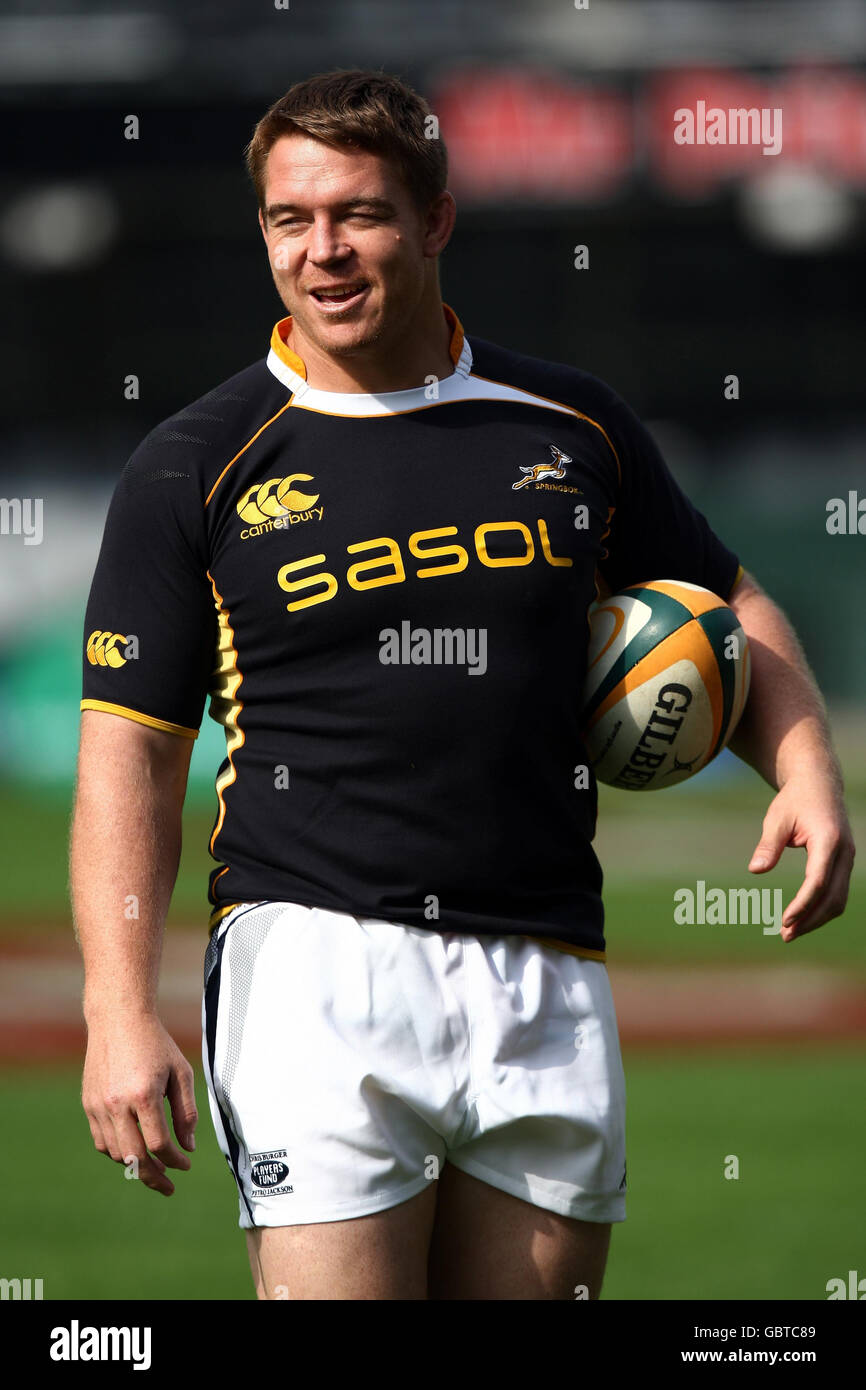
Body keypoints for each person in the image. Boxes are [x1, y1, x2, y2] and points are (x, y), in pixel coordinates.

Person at [71, 68, 855, 1301]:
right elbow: (132, 752)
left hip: (546, 965)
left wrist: (804, 766)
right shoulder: (191, 467)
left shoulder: (570, 424)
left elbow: (730, 604)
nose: (321, 252)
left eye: (359, 215)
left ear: (434, 220)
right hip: (311, 964)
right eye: (290, 220)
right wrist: (118, 1008)